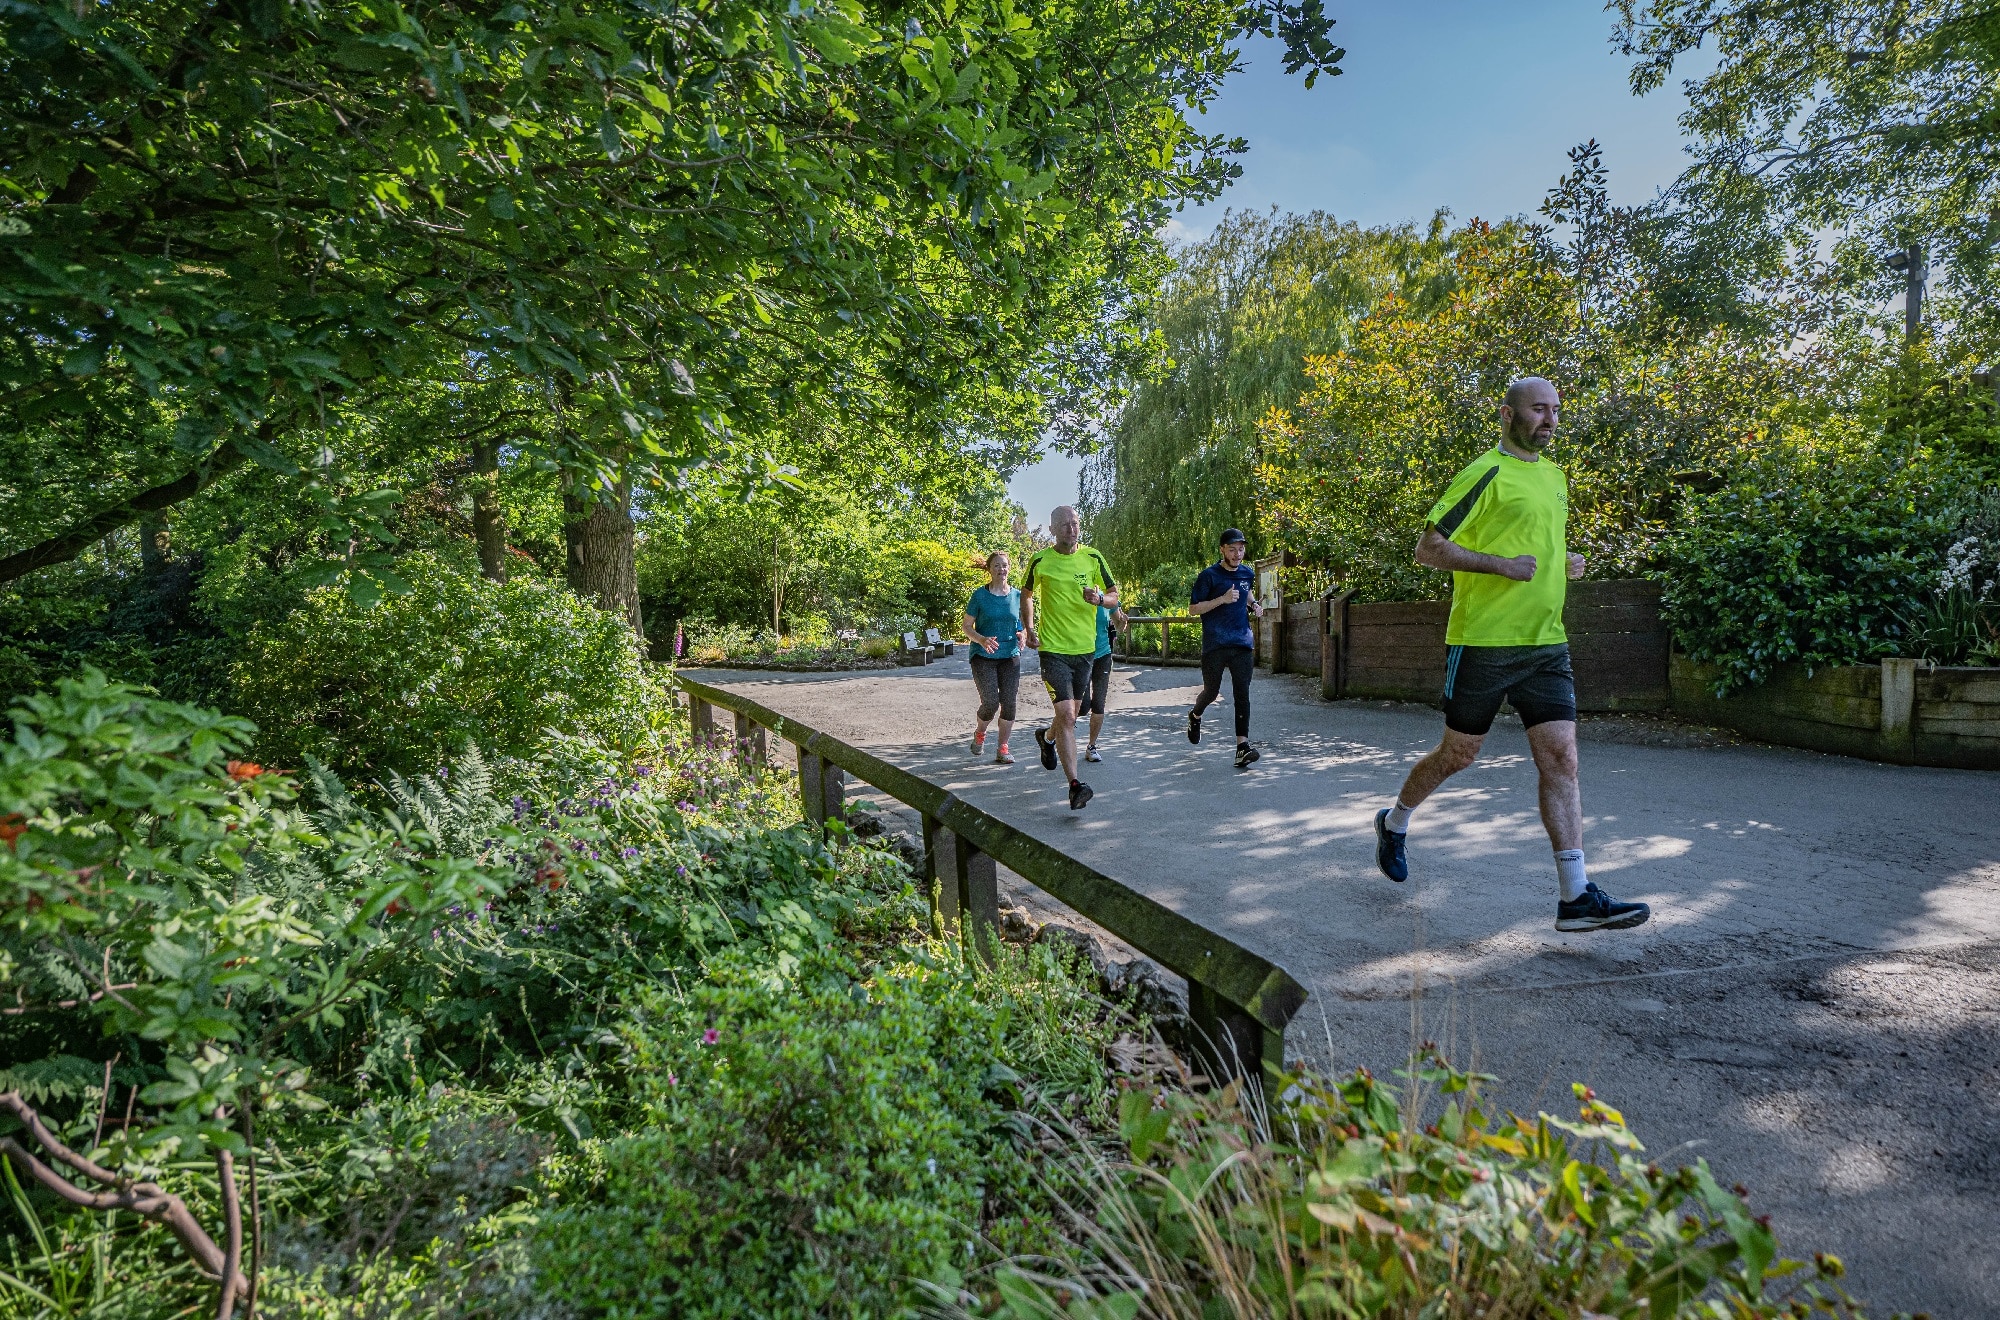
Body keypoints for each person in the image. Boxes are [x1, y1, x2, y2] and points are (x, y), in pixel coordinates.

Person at [1372, 377, 1649, 933]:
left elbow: (1535, 544)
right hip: (1483, 643)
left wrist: (1562, 563)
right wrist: (1501, 566)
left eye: (1555, 410)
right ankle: (1395, 821)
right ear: (1507, 414)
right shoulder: (1485, 472)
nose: (1550, 420)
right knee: (1459, 755)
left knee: (1562, 758)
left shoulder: (1555, 476)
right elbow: (1428, 548)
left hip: (1546, 643)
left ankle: (1575, 897)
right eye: (1538, 409)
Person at [1022, 505, 1119, 810]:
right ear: (1052, 529)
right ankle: (1075, 786)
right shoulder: (1040, 560)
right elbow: (1026, 594)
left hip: (1086, 650)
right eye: (1064, 524)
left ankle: (1047, 738)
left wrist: (1100, 599)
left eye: (1075, 523)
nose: (1071, 528)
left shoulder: (1093, 557)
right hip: (1053, 650)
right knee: (1066, 715)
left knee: (1071, 716)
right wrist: (1029, 627)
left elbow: (1114, 595)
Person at [1187, 528, 1264, 769]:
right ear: (1222, 549)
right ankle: (1195, 715)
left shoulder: (1247, 573)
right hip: (1215, 644)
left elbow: (1246, 592)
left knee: (1242, 694)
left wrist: (1254, 605)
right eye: (1232, 549)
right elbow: (1193, 609)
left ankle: (1242, 748)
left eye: (1241, 549)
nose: (1237, 554)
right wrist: (1222, 599)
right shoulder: (1208, 576)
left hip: (1242, 642)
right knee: (1211, 692)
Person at [963, 550, 1024, 764]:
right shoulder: (980, 596)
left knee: (1009, 703)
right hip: (983, 655)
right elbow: (966, 626)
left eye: (1004, 565)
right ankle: (980, 733)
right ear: (989, 569)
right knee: (990, 703)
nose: (1001, 569)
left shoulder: (1017, 596)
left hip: (1010, 655)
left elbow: (1021, 624)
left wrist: (1022, 634)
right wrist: (981, 639)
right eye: (996, 565)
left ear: (1009, 568)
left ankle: (1002, 748)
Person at [1082, 603, 1129, 762]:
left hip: (1103, 655)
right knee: (1081, 706)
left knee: (1099, 703)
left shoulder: (1108, 600)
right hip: (1080, 655)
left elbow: (1119, 627)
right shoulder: (1077, 595)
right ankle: (1053, 735)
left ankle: (1091, 746)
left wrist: (1123, 622)